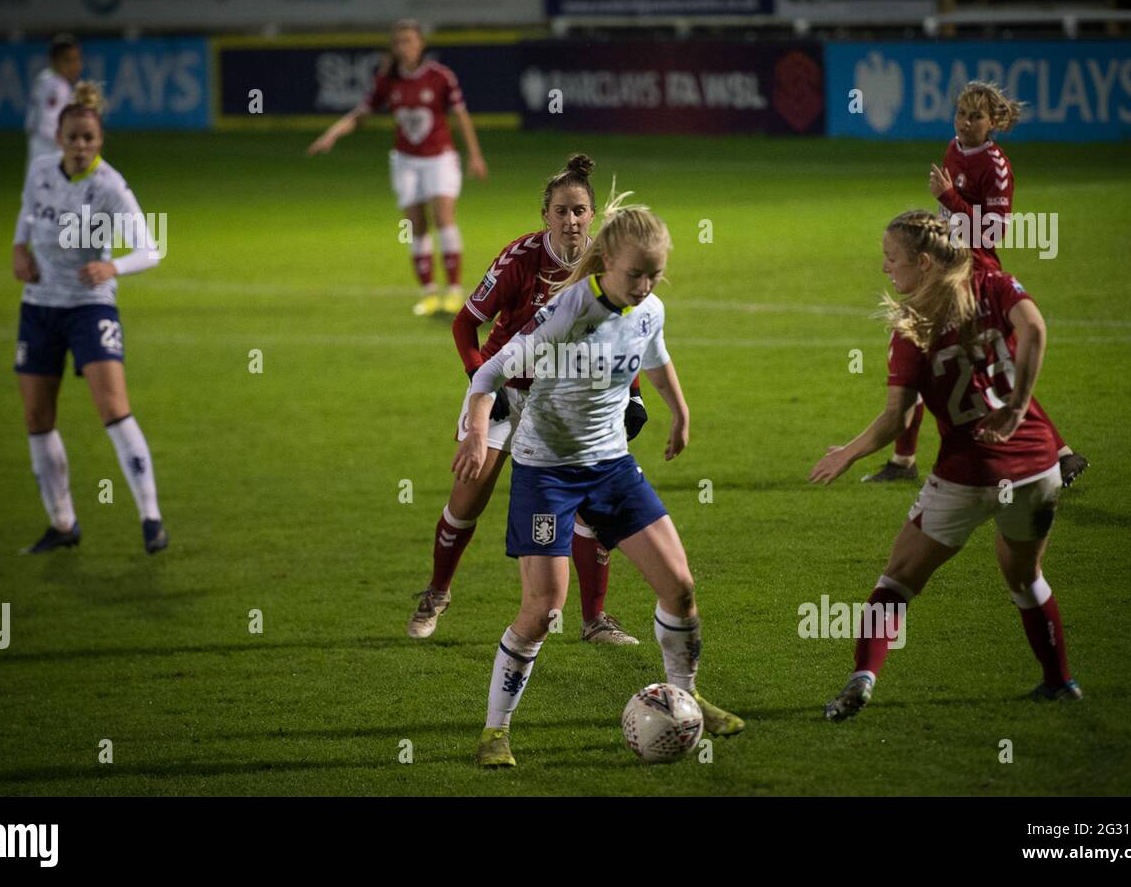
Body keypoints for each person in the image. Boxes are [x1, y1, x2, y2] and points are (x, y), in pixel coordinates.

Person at [454, 191, 744, 767]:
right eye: (635, 275)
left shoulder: (651, 308)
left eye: (655, 276)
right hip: (546, 474)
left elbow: (655, 354)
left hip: (611, 468)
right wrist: (473, 431)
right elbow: (489, 372)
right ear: (606, 260)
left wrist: (681, 413)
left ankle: (684, 696)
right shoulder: (567, 311)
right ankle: (495, 731)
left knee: (680, 587)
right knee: (543, 610)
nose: (644, 287)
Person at [811, 210, 1081, 721]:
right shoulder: (993, 284)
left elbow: (897, 417)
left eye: (892, 259)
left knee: (895, 583)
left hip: (969, 475)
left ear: (925, 262)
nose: (886, 269)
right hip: (1038, 467)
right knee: (1025, 579)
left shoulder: (912, 327)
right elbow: (1037, 329)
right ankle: (1060, 682)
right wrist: (1020, 406)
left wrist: (846, 453)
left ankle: (862, 679)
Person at [410, 155, 645, 644]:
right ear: (546, 216)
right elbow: (464, 323)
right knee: (468, 498)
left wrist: (635, 397)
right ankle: (436, 592)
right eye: (561, 211)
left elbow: (623, 332)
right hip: (504, 391)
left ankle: (594, 620)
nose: (571, 220)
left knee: (592, 506)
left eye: (579, 210)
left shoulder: (606, 265)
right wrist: (482, 383)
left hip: (562, 403)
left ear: (593, 214)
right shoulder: (521, 259)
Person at [863, 81, 1089, 487]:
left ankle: (1059, 452)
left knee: (978, 366)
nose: (965, 123)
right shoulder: (953, 149)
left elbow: (994, 233)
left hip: (974, 271)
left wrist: (950, 198)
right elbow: (948, 217)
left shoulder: (996, 166)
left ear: (994, 123)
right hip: (943, 267)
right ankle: (904, 457)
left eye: (976, 117)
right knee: (923, 351)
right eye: (961, 114)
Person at [12, 80, 168, 555]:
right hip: (39, 306)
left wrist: (112, 266)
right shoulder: (40, 171)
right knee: (38, 415)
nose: (80, 146)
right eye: (73, 138)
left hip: (90, 305)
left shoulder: (109, 188)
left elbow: (151, 249)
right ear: (58, 138)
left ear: (100, 143)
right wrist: (19, 246)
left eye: (89, 139)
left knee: (113, 408)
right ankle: (63, 524)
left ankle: (150, 516)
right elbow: (27, 213)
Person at [306, 19, 488, 316]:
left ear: (421, 44)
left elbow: (461, 116)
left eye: (410, 41)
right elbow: (361, 113)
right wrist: (332, 134)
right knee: (416, 224)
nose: (405, 47)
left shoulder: (440, 77)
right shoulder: (387, 79)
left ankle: (454, 291)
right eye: (400, 42)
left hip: (440, 157)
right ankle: (429, 293)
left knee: (444, 217)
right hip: (405, 161)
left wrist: (475, 155)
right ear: (394, 47)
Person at [25, 34, 82, 169]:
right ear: (55, 61)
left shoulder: (45, 77)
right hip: (49, 153)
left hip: (39, 149)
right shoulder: (57, 86)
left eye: (77, 59)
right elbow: (47, 127)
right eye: (68, 60)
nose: (76, 65)